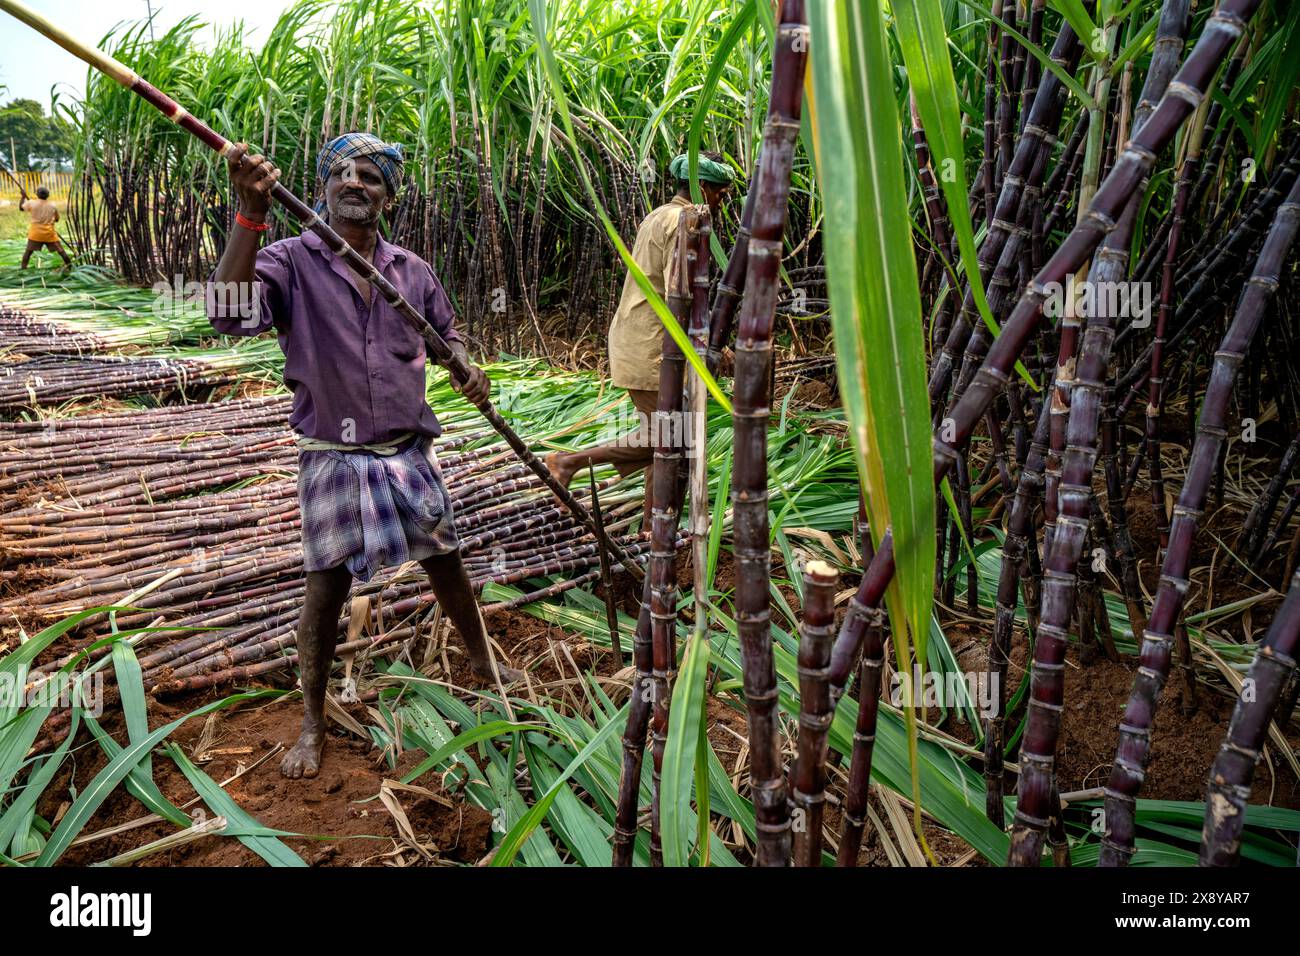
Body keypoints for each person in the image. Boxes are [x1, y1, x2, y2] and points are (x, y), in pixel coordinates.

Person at [206, 132, 521, 780]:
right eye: (343, 173)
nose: (356, 183)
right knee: (325, 590)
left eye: (371, 178)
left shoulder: (410, 270)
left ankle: (486, 665)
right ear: (323, 184)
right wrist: (250, 215)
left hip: (407, 449)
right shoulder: (291, 262)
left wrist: (462, 360)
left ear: (389, 196)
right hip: (332, 455)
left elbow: (444, 332)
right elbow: (228, 316)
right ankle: (314, 720)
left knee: (447, 563)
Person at [544, 151, 734, 501]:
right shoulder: (683, 221)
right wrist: (711, 345)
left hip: (641, 338)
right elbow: (683, 293)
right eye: (721, 191)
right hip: (653, 346)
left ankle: (652, 526)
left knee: (661, 434)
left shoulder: (661, 214)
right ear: (702, 186)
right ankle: (568, 462)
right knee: (671, 437)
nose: (725, 199)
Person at [20, 185, 72, 268]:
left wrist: (23, 197)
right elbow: (57, 219)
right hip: (49, 233)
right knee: (61, 251)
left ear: (37, 194)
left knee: (28, 252)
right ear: (48, 195)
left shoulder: (31, 203)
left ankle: (23, 269)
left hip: (35, 233)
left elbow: (21, 208)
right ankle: (70, 267)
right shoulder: (52, 206)